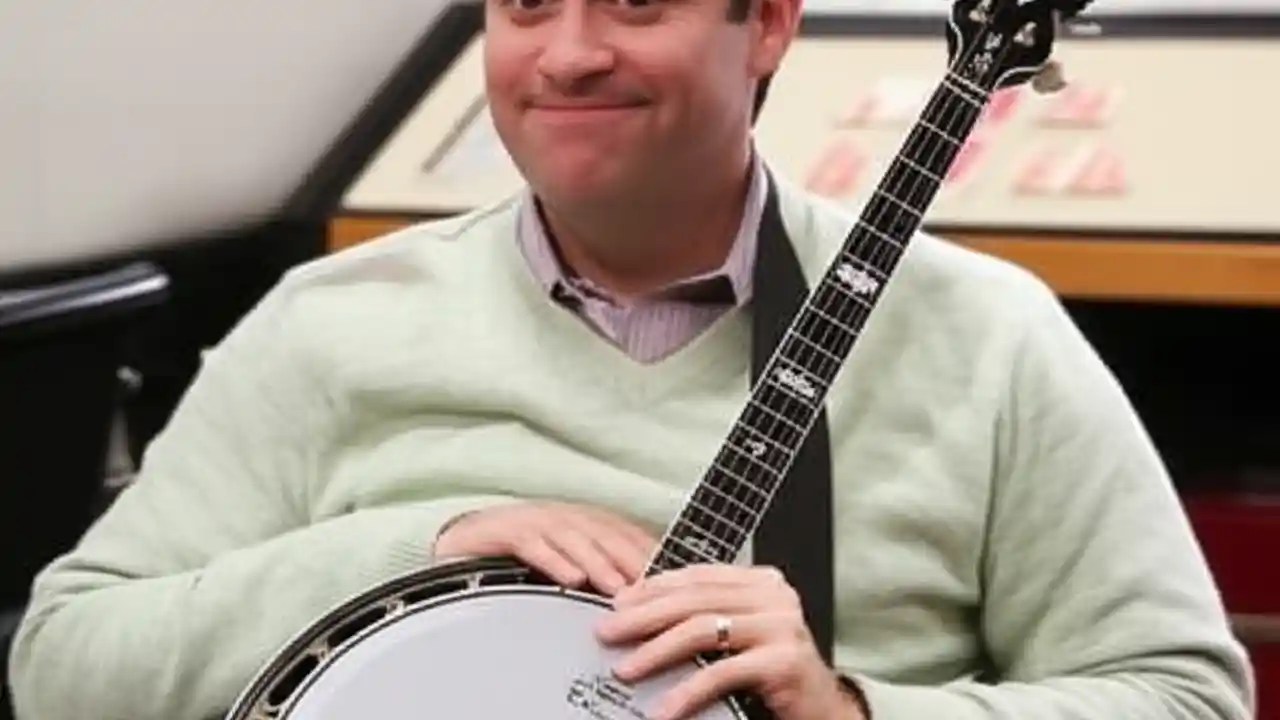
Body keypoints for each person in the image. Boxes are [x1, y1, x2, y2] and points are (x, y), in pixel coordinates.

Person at [6, 0, 1256, 716]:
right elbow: (62, 669)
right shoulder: (328, 322)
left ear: (765, 23)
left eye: (636, 1)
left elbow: (1180, 697)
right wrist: (417, 549)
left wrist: (857, 709)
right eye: (525, 4)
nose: (566, 53)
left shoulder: (987, 336)